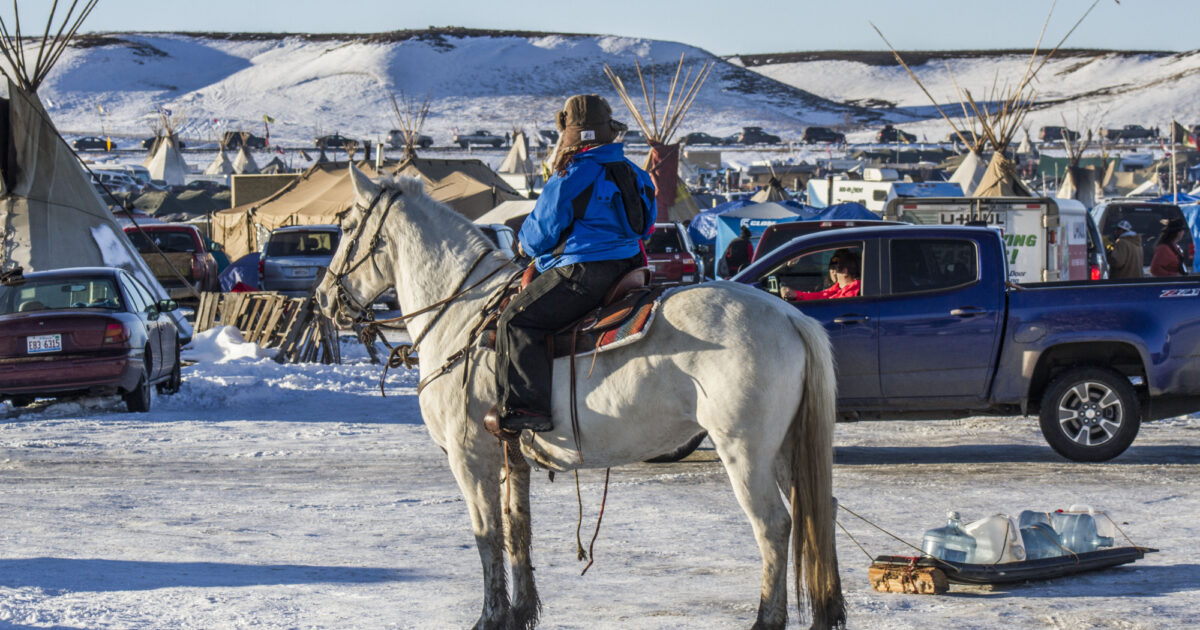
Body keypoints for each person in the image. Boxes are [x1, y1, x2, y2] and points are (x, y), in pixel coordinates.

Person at [487, 94, 656, 434]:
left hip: (583, 272)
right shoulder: (636, 173)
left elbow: (542, 231)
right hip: (628, 269)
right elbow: (648, 225)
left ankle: (525, 408)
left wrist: (523, 244)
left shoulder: (572, 174)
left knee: (515, 321)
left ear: (571, 135)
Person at [782, 249, 860, 301]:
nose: (832, 271)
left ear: (845, 271)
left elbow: (831, 304)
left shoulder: (855, 289)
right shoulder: (836, 287)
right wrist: (796, 294)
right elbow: (821, 295)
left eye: (835, 268)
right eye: (830, 267)